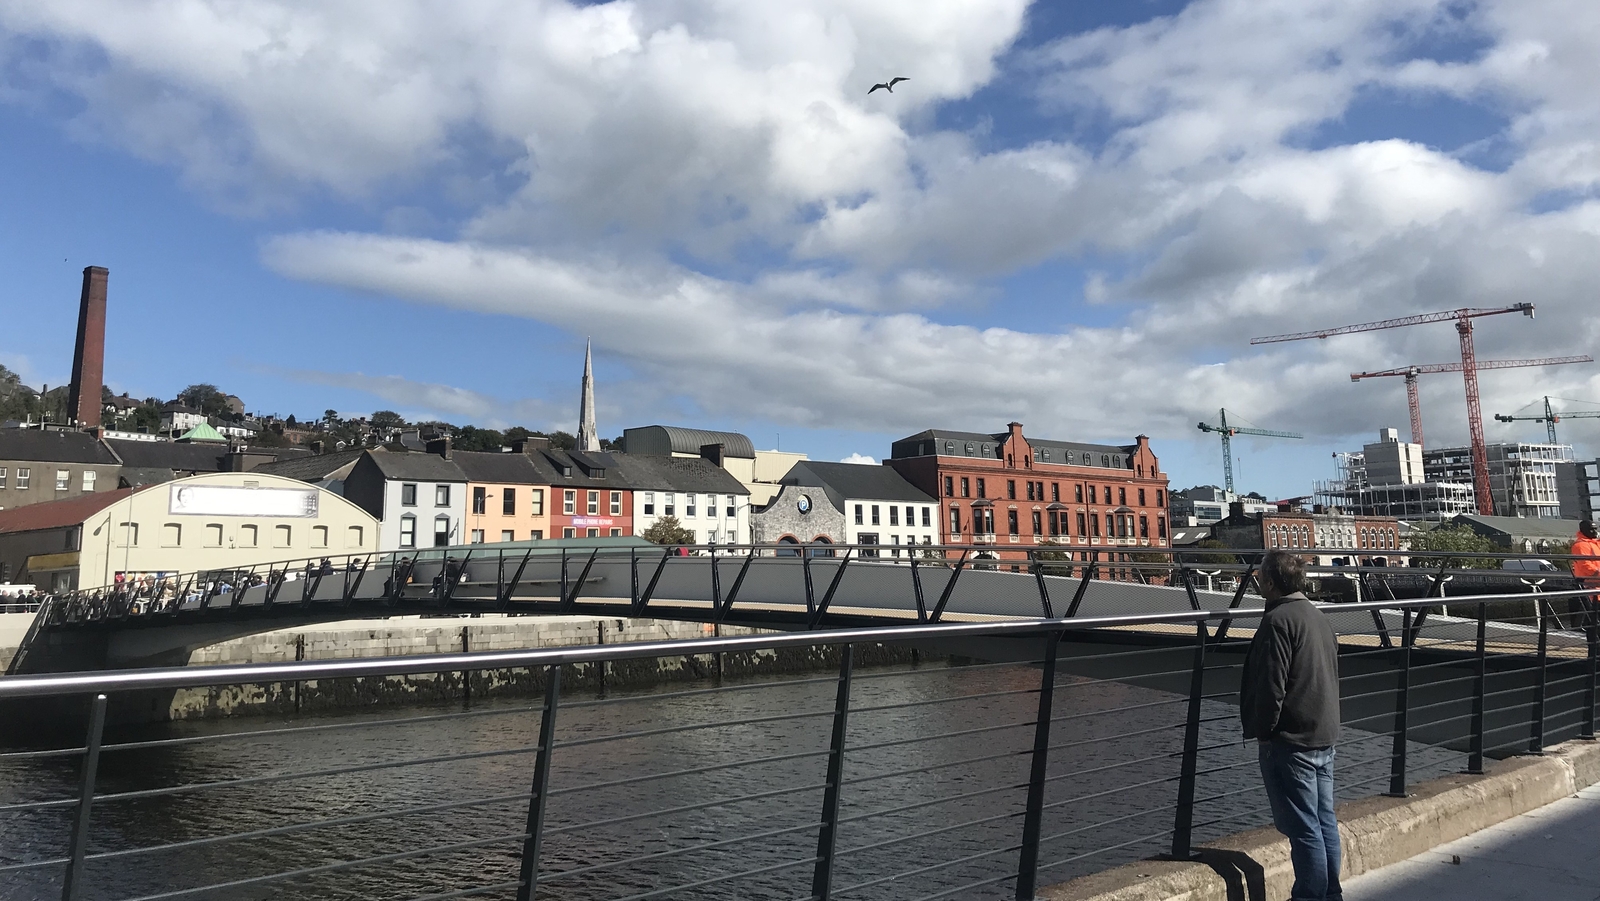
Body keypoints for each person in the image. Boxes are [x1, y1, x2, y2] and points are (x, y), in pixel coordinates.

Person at [1241, 549, 1343, 901]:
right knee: (1323, 819)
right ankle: (1331, 893)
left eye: (1260, 577)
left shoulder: (1278, 621)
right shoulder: (1316, 616)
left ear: (1270, 581)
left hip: (1293, 739)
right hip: (1323, 734)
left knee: (1303, 828)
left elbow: (1272, 686)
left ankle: (1310, 896)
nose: (1258, 581)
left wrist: (1265, 733)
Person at [1572, 520, 1600, 629]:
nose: (1594, 531)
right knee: (1593, 619)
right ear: (1583, 530)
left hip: (1595, 584)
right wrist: (1597, 574)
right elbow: (1585, 565)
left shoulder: (1595, 543)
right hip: (1589, 584)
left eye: (1595, 528)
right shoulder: (1580, 545)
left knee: (1594, 619)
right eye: (1591, 529)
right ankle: (1594, 645)